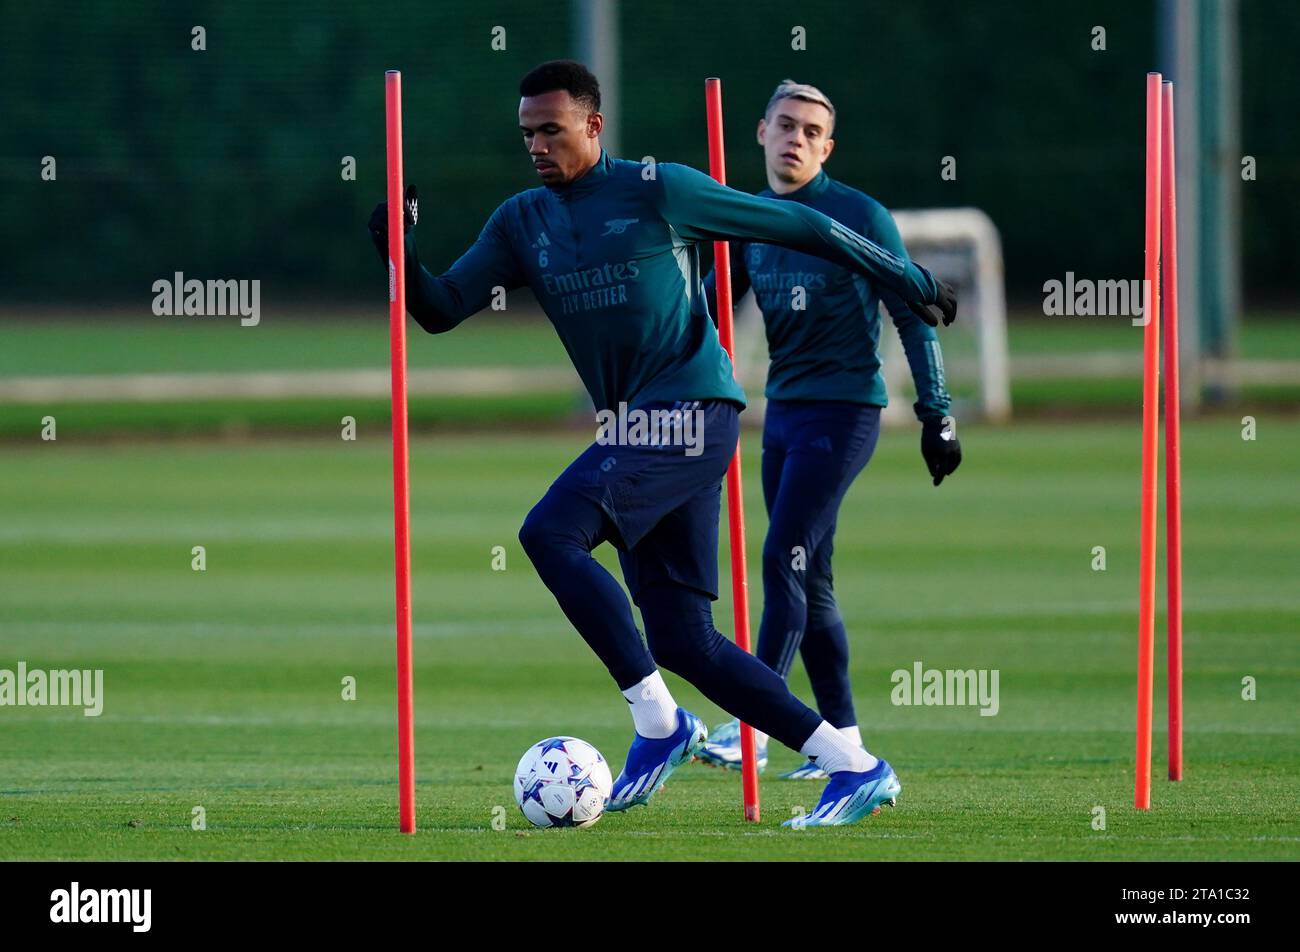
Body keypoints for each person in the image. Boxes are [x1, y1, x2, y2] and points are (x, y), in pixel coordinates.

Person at [368, 61, 955, 827]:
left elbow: (802, 223)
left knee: (550, 532)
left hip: (693, 410)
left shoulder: (658, 188)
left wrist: (908, 277)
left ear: (594, 126)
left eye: (552, 129)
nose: (537, 145)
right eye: (527, 133)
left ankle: (660, 723)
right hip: (637, 429)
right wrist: (398, 251)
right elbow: (441, 309)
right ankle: (852, 765)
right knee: (682, 639)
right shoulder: (520, 221)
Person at [695, 80, 962, 779]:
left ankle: (757, 722)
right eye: (786, 125)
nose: (797, 139)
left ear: (828, 147)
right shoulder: (748, 215)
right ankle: (843, 742)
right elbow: (712, 308)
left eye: (813, 131)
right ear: (760, 131)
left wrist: (938, 414)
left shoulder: (857, 216)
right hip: (780, 412)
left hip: (844, 414)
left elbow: (913, 311)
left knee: (783, 553)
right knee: (810, 583)